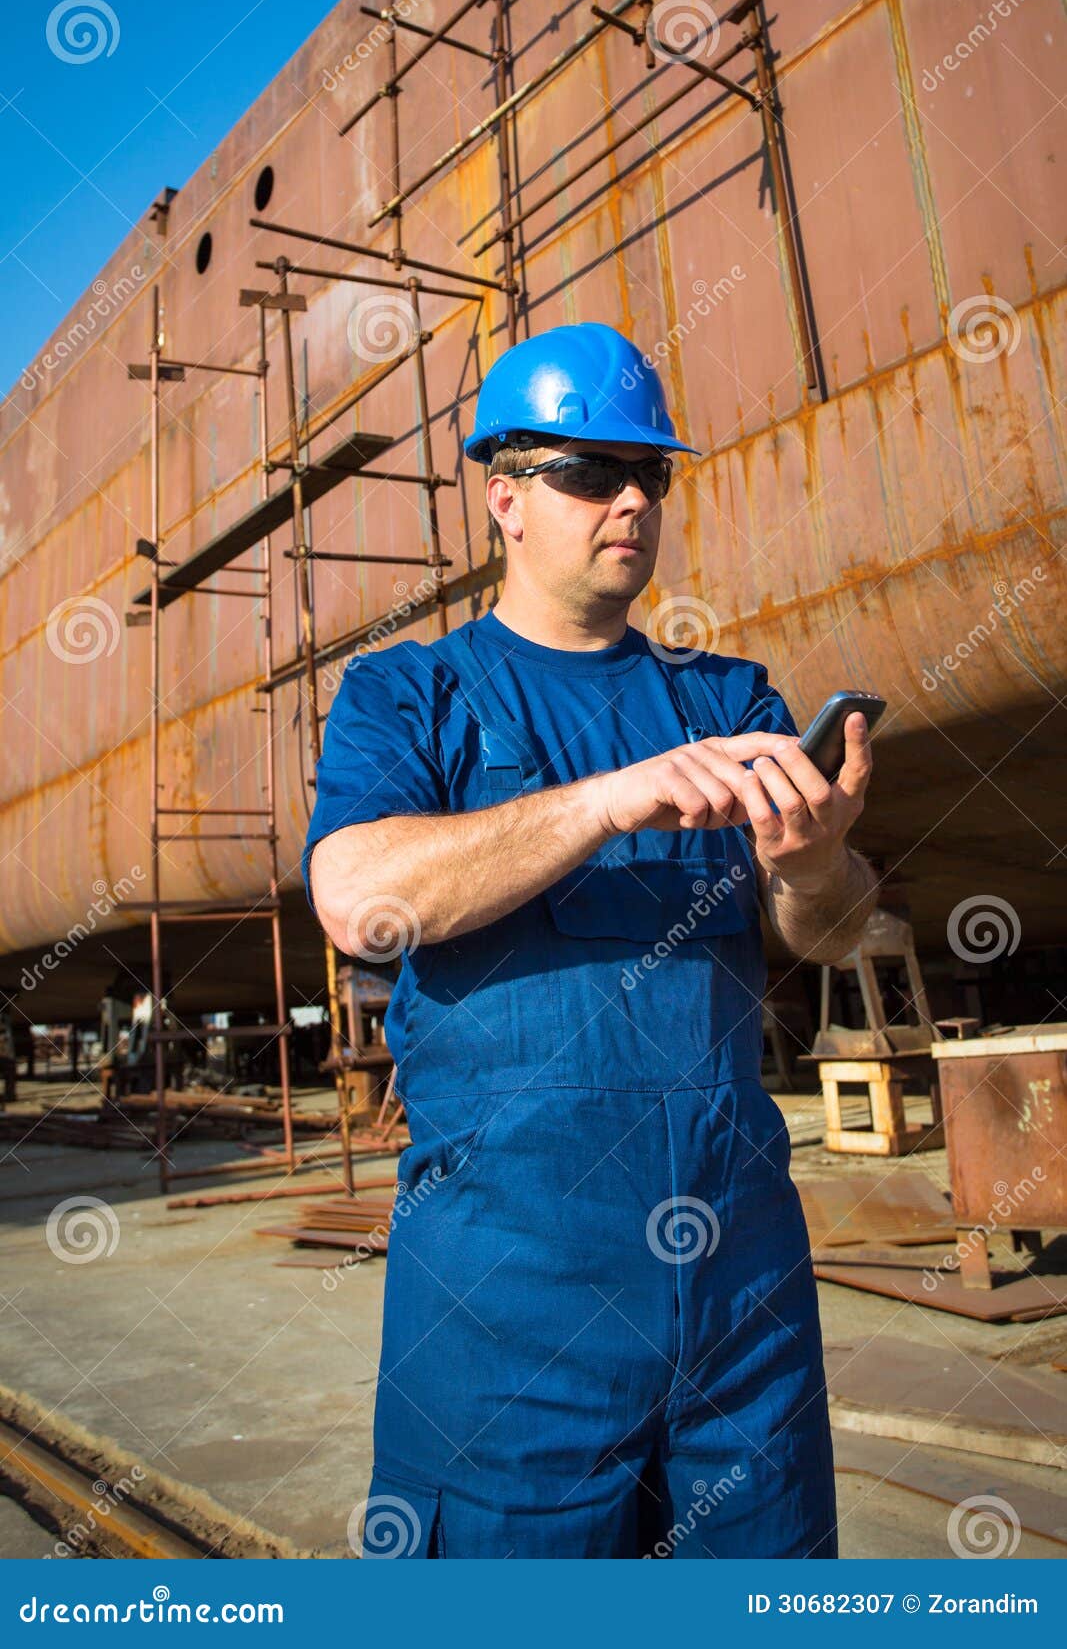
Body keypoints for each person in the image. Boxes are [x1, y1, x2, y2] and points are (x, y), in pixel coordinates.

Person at [304, 321, 879, 1559]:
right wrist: (610, 797)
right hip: (508, 1323)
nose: (630, 497)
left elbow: (828, 936)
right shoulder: (410, 696)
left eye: (650, 473)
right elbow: (359, 897)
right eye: (590, 471)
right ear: (503, 497)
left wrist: (817, 861)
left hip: (742, 1312)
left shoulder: (728, 702)